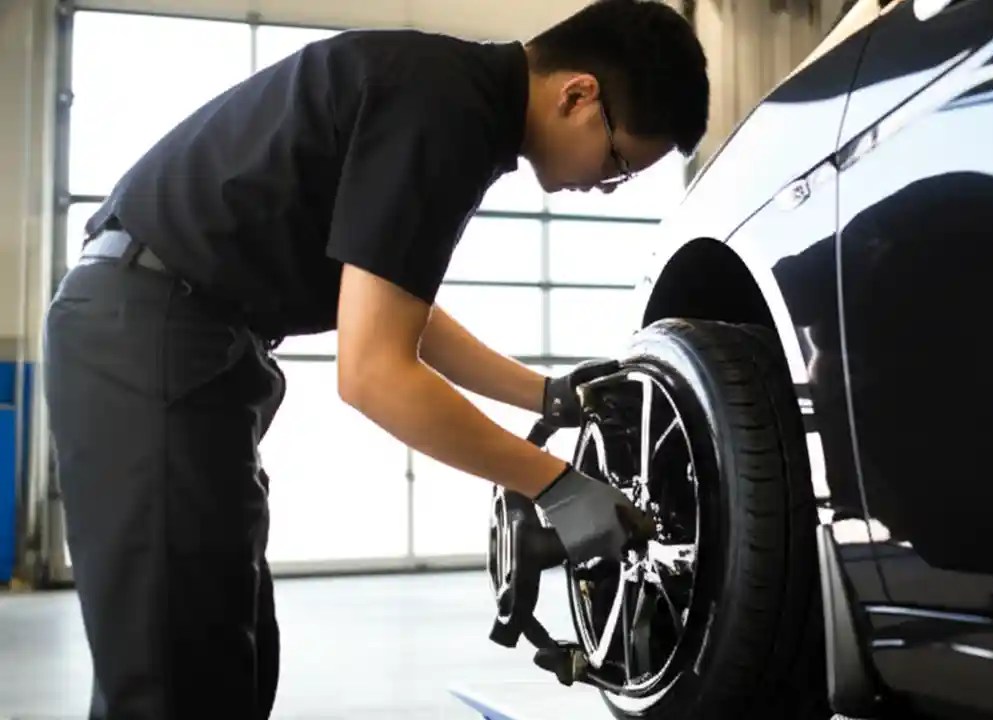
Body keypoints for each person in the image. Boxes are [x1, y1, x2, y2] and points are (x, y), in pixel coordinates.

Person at [41, 0, 710, 717]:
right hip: (151, 332)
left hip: (173, 335)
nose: (603, 186)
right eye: (615, 162)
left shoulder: (447, 98)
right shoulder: (444, 111)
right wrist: (556, 484)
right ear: (577, 93)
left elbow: (392, 310)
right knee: (180, 681)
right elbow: (373, 373)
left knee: (224, 656)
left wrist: (543, 395)